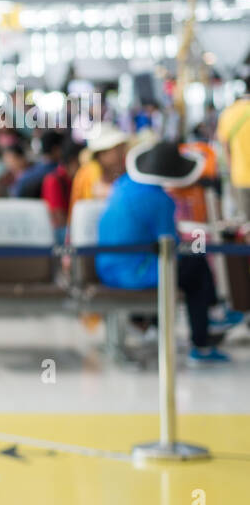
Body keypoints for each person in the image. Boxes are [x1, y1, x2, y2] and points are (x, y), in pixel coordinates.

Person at [96, 140, 243, 364]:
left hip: (107, 267)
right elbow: (169, 246)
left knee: (190, 265)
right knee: (196, 268)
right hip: (133, 272)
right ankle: (203, 338)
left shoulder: (123, 185)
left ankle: (206, 317)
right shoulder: (160, 200)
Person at [216, 88, 250, 219]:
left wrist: (230, 168)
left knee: (246, 221)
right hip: (239, 174)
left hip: (239, 174)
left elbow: (225, 146)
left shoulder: (228, 113)